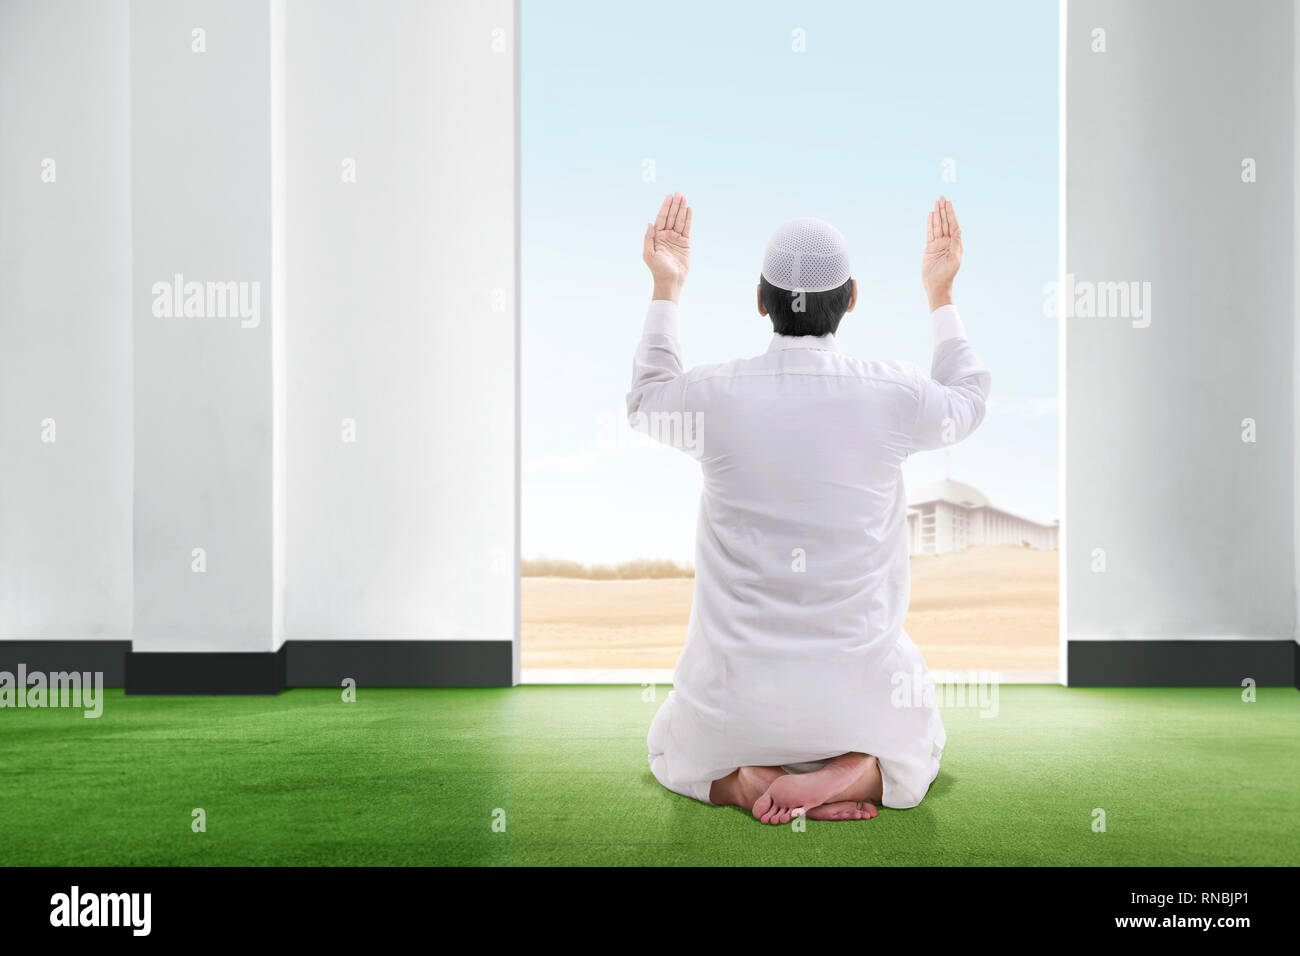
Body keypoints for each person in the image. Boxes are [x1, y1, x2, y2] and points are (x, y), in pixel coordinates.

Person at [629, 193, 990, 822]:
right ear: (850, 298)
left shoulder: (716, 396)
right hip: (862, 701)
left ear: (761, 302)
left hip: (732, 705)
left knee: (671, 748)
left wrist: (667, 285)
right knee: (922, 736)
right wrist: (941, 292)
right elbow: (967, 402)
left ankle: (744, 782)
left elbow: (646, 399)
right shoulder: (894, 393)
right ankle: (861, 769)